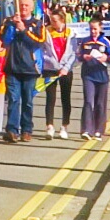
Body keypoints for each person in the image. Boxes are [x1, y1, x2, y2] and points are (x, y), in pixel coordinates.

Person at [1, 8, 45, 142]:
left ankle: (26, 130)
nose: (24, 8)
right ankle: (12, 130)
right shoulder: (9, 23)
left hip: (30, 68)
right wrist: (13, 26)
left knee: (28, 102)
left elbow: (39, 41)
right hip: (13, 67)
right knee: (13, 100)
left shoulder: (37, 24)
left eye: (26, 5)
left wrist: (24, 29)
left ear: (31, 8)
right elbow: (5, 41)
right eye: (21, 5)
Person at [39, 10, 75, 140]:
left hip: (65, 70)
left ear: (62, 20)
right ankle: (49, 126)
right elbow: (42, 50)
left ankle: (64, 126)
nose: (52, 23)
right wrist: (48, 62)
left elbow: (73, 53)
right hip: (50, 68)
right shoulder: (46, 31)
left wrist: (66, 68)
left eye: (55, 21)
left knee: (66, 99)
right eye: (51, 20)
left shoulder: (70, 32)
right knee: (50, 98)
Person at [78, 19, 110, 139]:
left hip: (102, 77)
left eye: (95, 29)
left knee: (100, 104)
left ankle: (99, 130)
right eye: (91, 29)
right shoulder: (84, 41)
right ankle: (87, 130)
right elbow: (78, 55)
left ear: (100, 28)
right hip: (88, 75)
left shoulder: (106, 42)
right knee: (88, 101)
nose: (93, 31)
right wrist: (84, 56)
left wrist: (107, 58)